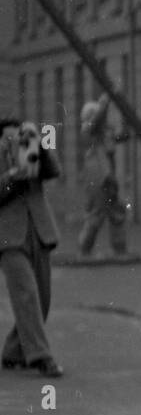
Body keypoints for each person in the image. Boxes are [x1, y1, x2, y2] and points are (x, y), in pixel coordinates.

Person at [0, 117, 64, 377]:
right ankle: (41, 357)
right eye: (10, 138)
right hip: (8, 238)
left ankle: (13, 351)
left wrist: (40, 144)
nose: (16, 141)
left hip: (39, 232)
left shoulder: (32, 151)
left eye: (19, 136)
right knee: (26, 293)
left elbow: (54, 171)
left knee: (42, 300)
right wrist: (13, 177)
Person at [77, 92, 130, 258]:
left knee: (116, 210)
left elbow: (123, 136)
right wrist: (104, 104)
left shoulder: (105, 132)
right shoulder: (89, 130)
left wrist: (126, 115)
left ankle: (119, 249)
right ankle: (85, 248)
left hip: (108, 174)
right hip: (97, 175)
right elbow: (96, 122)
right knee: (97, 212)